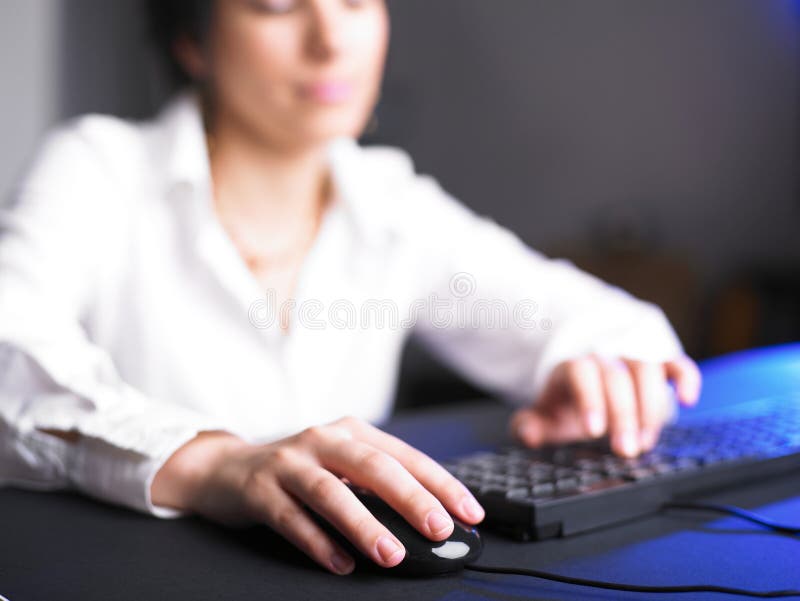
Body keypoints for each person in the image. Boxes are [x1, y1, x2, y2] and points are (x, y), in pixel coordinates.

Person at [0, 0, 700, 577]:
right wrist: (214, 461)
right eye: (277, 4)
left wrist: (597, 368)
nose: (331, 38)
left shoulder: (390, 201)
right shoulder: (99, 168)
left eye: (357, 1)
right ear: (193, 39)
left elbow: (612, 326)